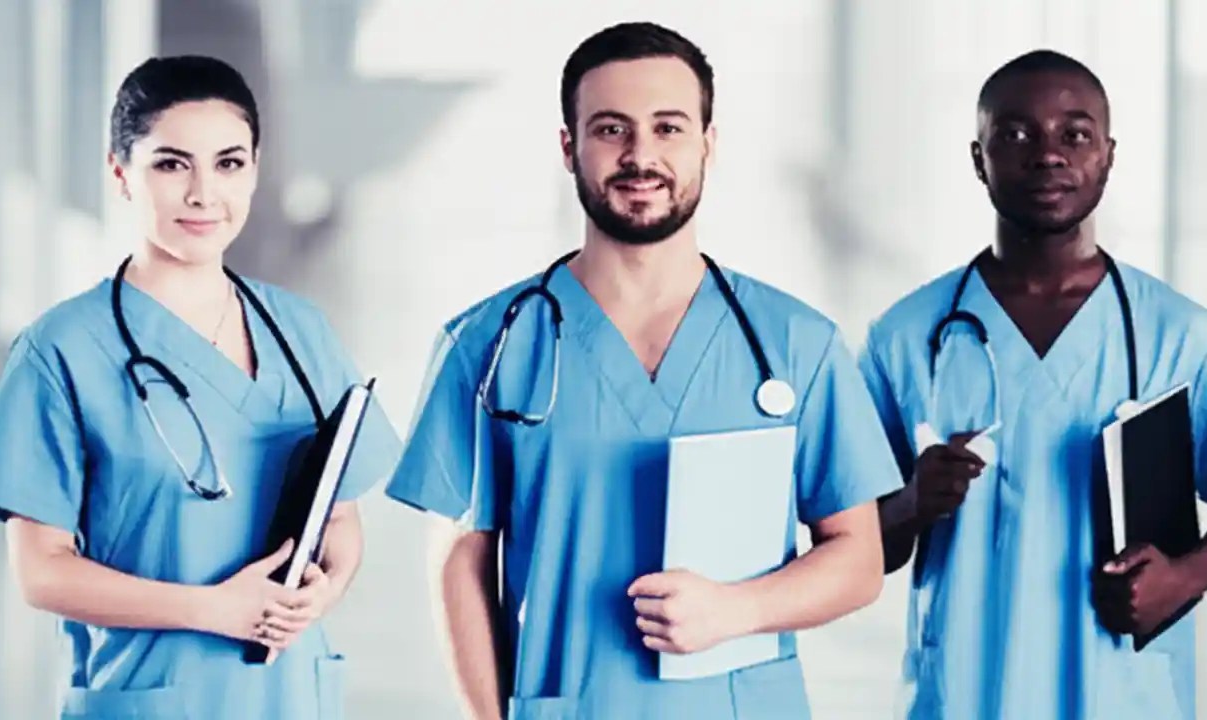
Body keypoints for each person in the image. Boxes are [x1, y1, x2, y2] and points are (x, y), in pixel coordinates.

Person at [385, 21, 900, 720]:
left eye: (668, 128)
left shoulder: (797, 343)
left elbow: (858, 560)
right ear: (569, 148)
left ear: (707, 145)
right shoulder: (488, 344)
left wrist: (737, 609)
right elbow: (460, 562)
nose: (640, 155)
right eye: (610, 129)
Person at [0, 55, 400, 719]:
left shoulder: (301, 329)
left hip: (289, 695)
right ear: (120, 173)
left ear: (254, 170)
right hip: (153, 698)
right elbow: (41, 571)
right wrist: (213, 609)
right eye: (171, 165)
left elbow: (340, 519)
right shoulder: (62, 349)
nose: (203, 193)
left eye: (228, 163)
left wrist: (325, 590)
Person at [860, 50, 1207, 720]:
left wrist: (1184, 578)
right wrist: (911, 505)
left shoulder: (1185, 336)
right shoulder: (906, 337)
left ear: (1108, 156)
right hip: (964, 693)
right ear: (978, 158)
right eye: (1015, 134)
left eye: (1075, 133)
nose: (1047, 155)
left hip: (1123, 697)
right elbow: (851, 542)